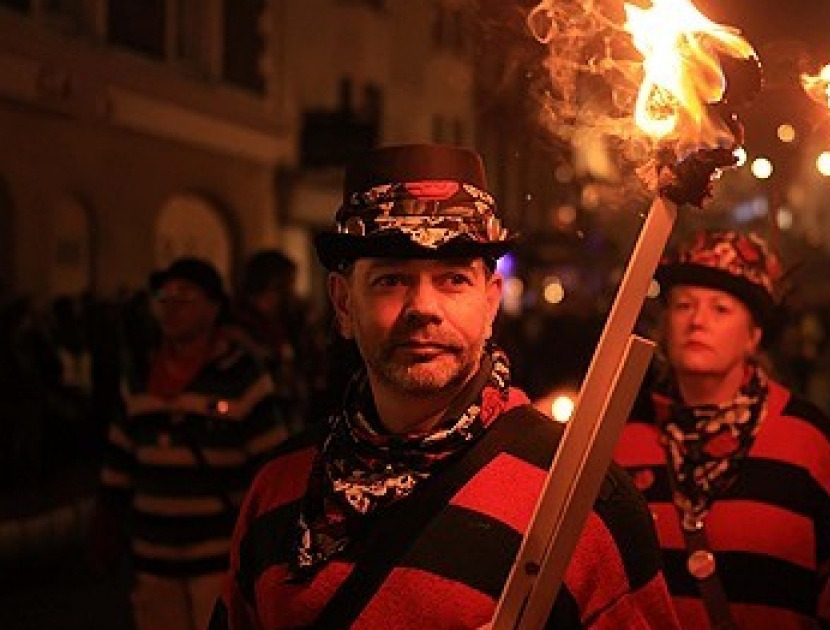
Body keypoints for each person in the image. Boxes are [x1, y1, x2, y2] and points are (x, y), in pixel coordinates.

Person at [208, 144, 679, 629]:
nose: (422, 307)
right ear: (344, 304)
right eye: (390, 280)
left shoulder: (581, 498)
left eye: (453, 279)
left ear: (491, 301)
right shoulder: (277, 488)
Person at [612, 229, 830, 629]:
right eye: (683, 305)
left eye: (721, 309)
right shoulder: (621, 437)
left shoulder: (806, 440)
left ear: (753, 336)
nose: (697, 321)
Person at [95, 257, 289, 630]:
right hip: (152, 563)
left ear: (214, 307)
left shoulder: (240, 376)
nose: (170, 308)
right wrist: (107, 524)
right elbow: (119, 460)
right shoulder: (139, 377)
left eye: (184, 298)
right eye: (164, 298)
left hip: (216, 563)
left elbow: (269, 467)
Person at [231, 249, 316, 432]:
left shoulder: (291, 321)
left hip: (292, 411)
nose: (288, 294)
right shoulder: (239, 328)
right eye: (280, 287)